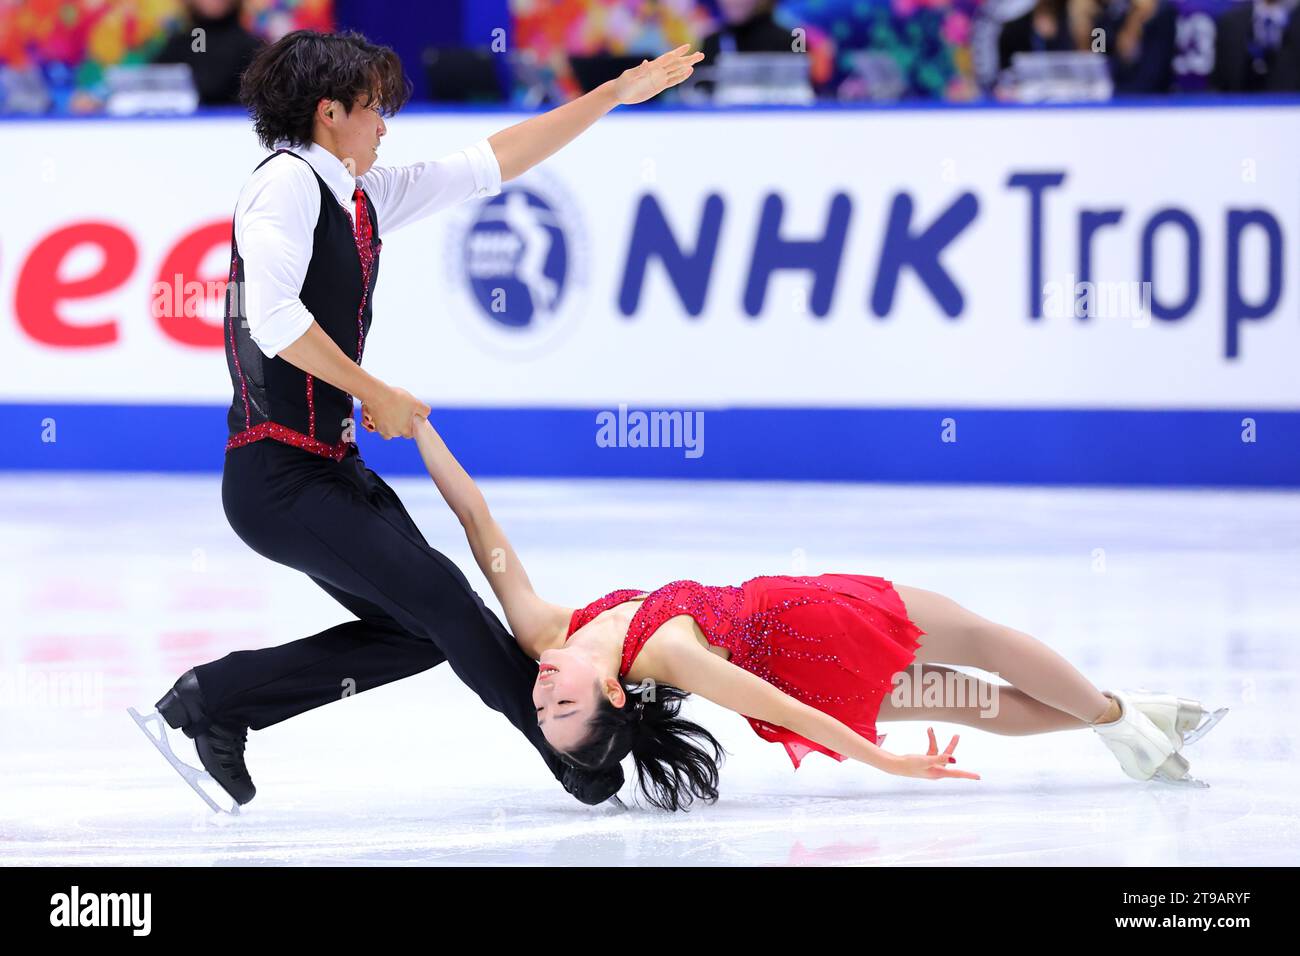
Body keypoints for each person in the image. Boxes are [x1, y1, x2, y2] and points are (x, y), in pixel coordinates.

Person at [133, 30, 704, 813]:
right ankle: (571, 755)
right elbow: (269, 318)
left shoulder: (359, 194)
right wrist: (376, 389)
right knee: (441, 597)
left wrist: (609, 97)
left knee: (418, 630)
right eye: (373, 109)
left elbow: (494, 160)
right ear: (329, 113)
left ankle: (216, 699)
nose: (384, 125)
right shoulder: (287, 185)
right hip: (276, 475)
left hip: (328, 473)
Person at [387, 411, 1228, 811]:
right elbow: (778, 708)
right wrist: (885, 763)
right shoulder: (666, 658)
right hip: (816, 627)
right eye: (558, 702)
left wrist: (419, 429)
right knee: (981, 644)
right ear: (612, 696)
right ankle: (1120, 718)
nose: (539, 685)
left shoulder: (549, 631)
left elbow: (479, 527)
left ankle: (1126, 728)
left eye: (541, 702)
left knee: (973, 698)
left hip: (815, 671)